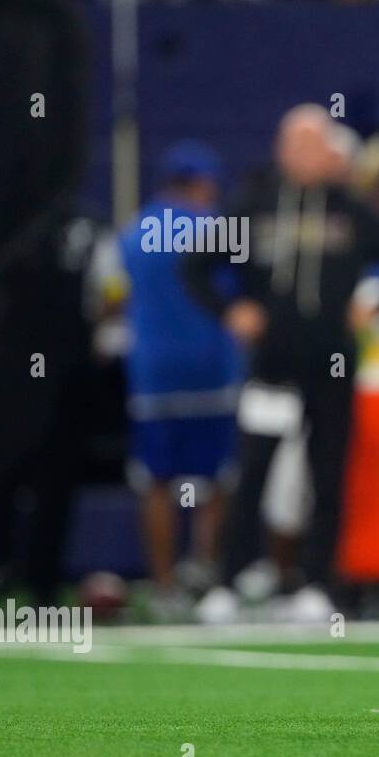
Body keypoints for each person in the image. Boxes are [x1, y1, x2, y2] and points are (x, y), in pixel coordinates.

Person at [182, 104, 379, 623]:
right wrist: (232, 308)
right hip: (272, 364)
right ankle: (230, 581)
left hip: (333, 365)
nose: (304, 154)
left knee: (327, 474)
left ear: (331, 150)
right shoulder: (256, 204)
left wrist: (375, 299)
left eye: (314, 144)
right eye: (295, 143)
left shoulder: (349, 209)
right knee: (252, 472)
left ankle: (320, 584)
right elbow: (196, 266)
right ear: (280, 148)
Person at [113, 142, 243, 614]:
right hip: (213, 372)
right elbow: (243, 294)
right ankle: (204, 579)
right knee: (218, 481)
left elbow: (109, 298)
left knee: (156, 481)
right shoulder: (217, 228)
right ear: (201, 184)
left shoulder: (130, 234)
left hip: (154, 377)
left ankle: (165, 587)